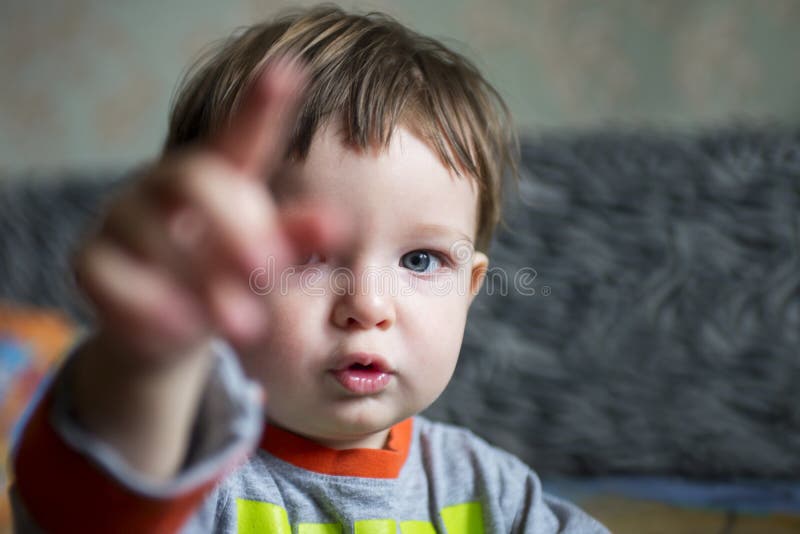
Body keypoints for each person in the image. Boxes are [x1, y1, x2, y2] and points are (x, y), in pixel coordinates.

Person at [10, 5, 609, 533]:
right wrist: (146, 367)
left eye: (420, 260)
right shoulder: (196, 478)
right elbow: (92, 511)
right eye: (304, 255)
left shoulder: (494, 494)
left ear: (471, 288)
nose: (368, 305)